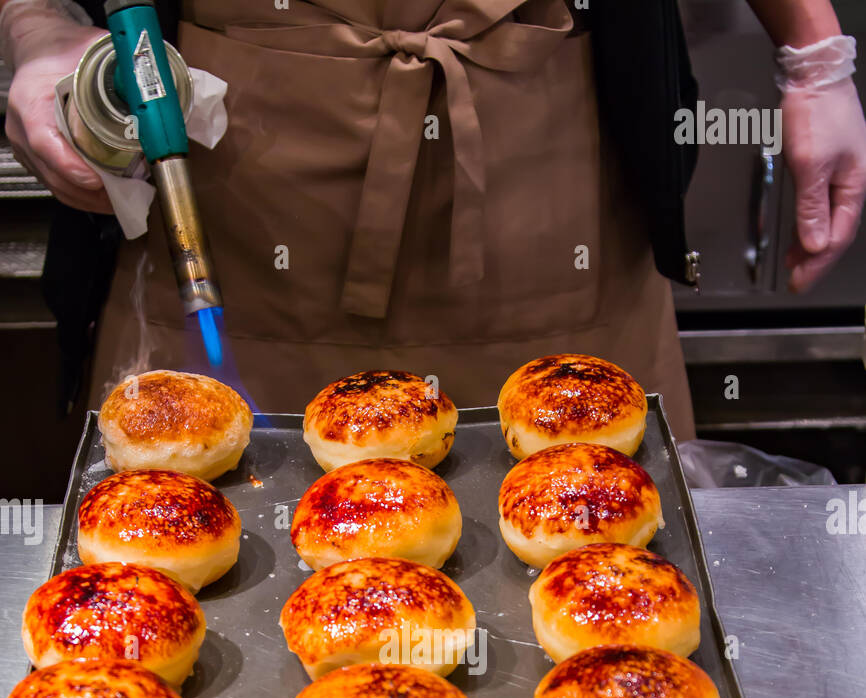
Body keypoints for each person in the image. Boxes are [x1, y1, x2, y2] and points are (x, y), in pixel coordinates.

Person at [2, 0, 865, 438]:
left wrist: (811, 47)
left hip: (547, 146)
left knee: (606, 542)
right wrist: (37, 23)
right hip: (233, 177)